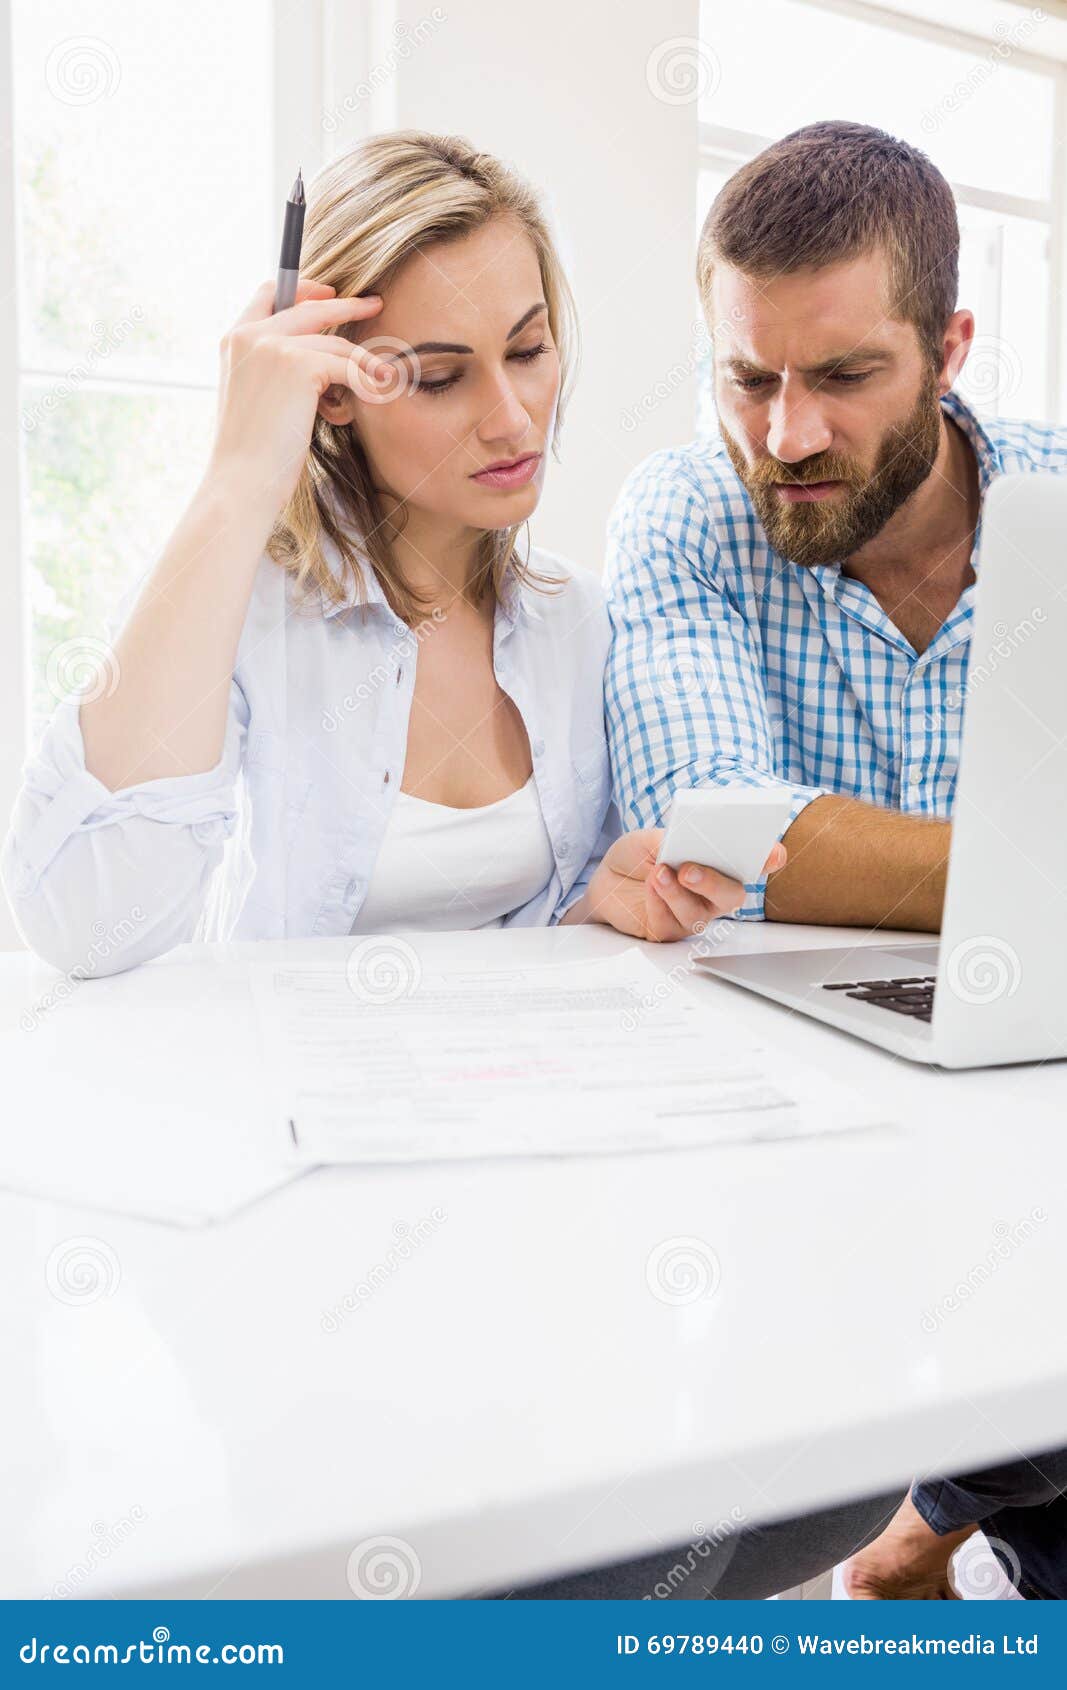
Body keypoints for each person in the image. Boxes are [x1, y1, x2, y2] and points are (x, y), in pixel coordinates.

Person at [595, 117, 1067, 1600]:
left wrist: (864, 857)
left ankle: (923, 1531)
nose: (785, 434)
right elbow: (716, 829)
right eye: (747, 378)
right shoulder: (685, 508)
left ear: (949, 347)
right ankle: (928, 1522)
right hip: (789, 1136)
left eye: (843, 375)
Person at [1, 132, 778, 973]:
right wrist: (236, 477)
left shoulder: (576, 619)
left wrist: (600, 908)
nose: (513, 418)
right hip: (284, 1088)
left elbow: (521, 942)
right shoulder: (238, 608)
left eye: (526, 351)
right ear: (331, 390)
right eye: (440, 378)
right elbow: (86, 925)